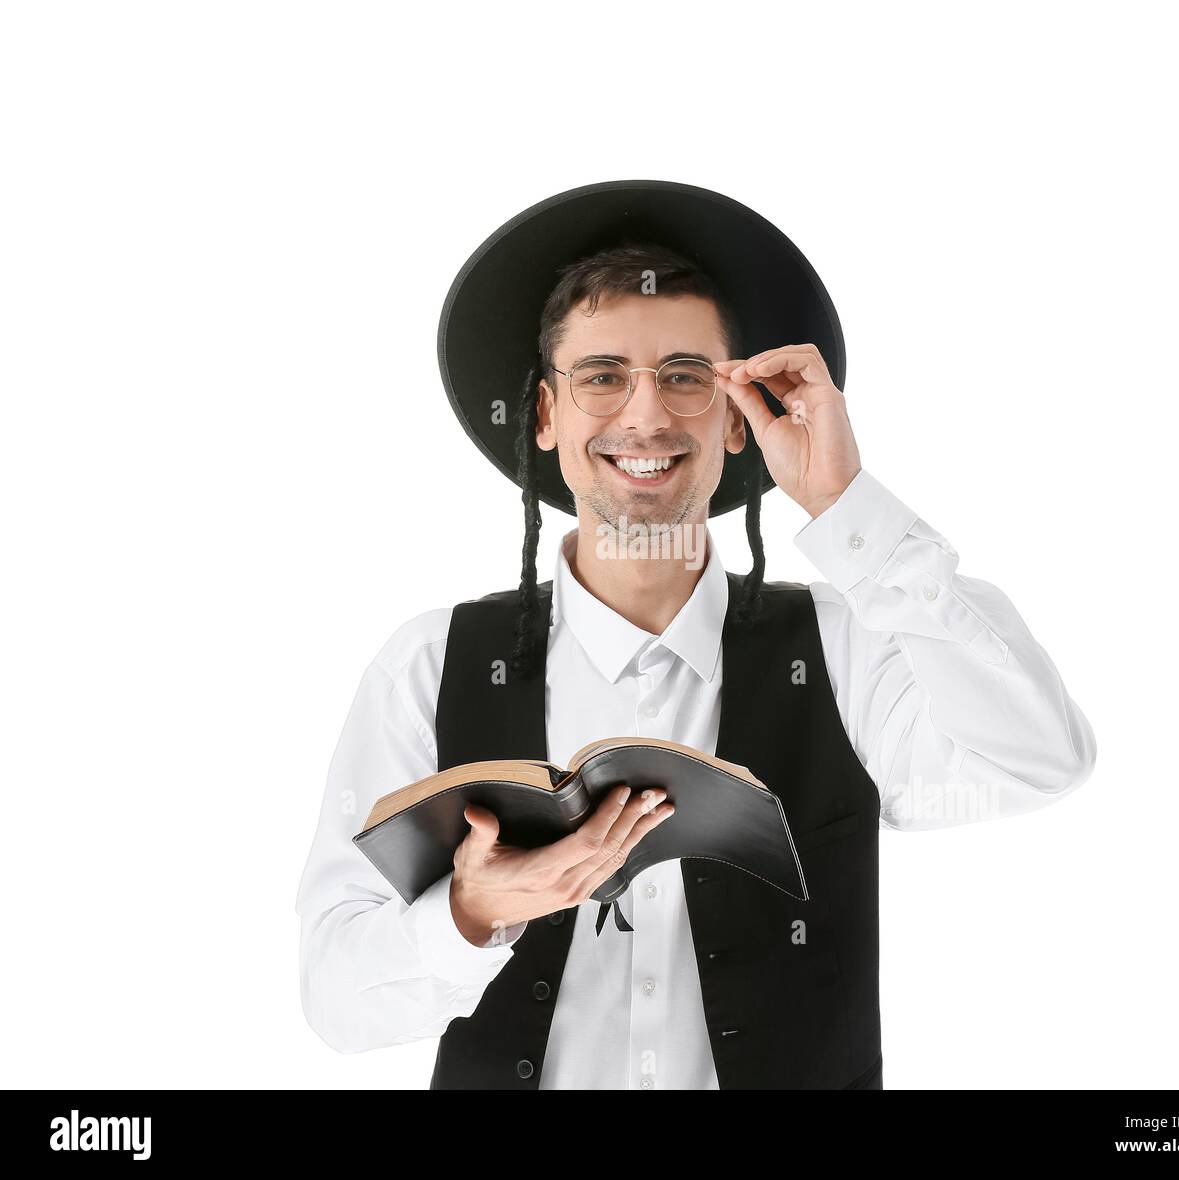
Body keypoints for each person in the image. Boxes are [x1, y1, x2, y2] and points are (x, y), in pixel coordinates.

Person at [295, 180, 1097, 1089]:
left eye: (685, 377)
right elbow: (334, 997)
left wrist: (847, 508)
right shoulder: (428, 666)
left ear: (736, 415)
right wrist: (471, 910)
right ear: (547, 416)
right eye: (602, 377)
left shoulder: (846, 647)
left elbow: (1041, 760)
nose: (645, 416)